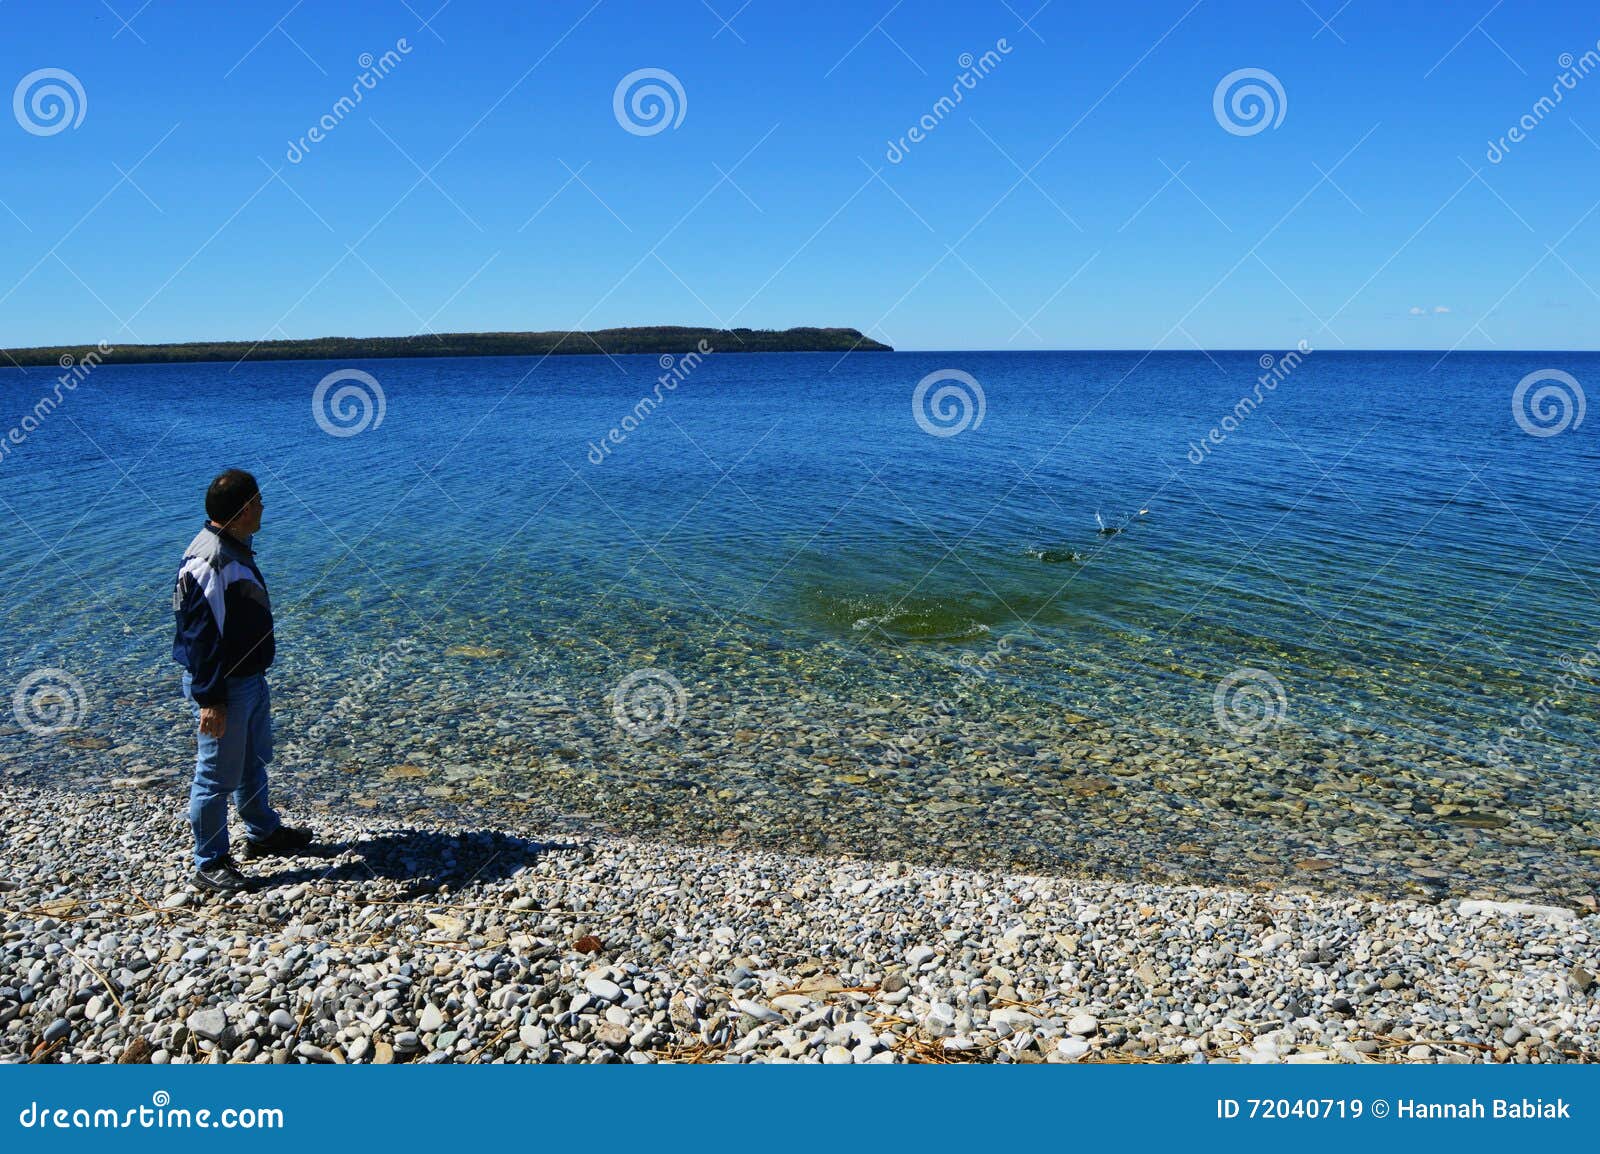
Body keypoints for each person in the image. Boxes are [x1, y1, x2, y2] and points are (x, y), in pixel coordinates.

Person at [172, 469, 312, 892]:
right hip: (225, 686)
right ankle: (209, 862)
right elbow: (200, 637)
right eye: (259, 501)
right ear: (244, 509)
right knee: (214, 777)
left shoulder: (233, 547)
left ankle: (263, 832)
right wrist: (210, 700)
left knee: (253, 761)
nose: (264, 508)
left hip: (247, 678)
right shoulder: (210, 560)